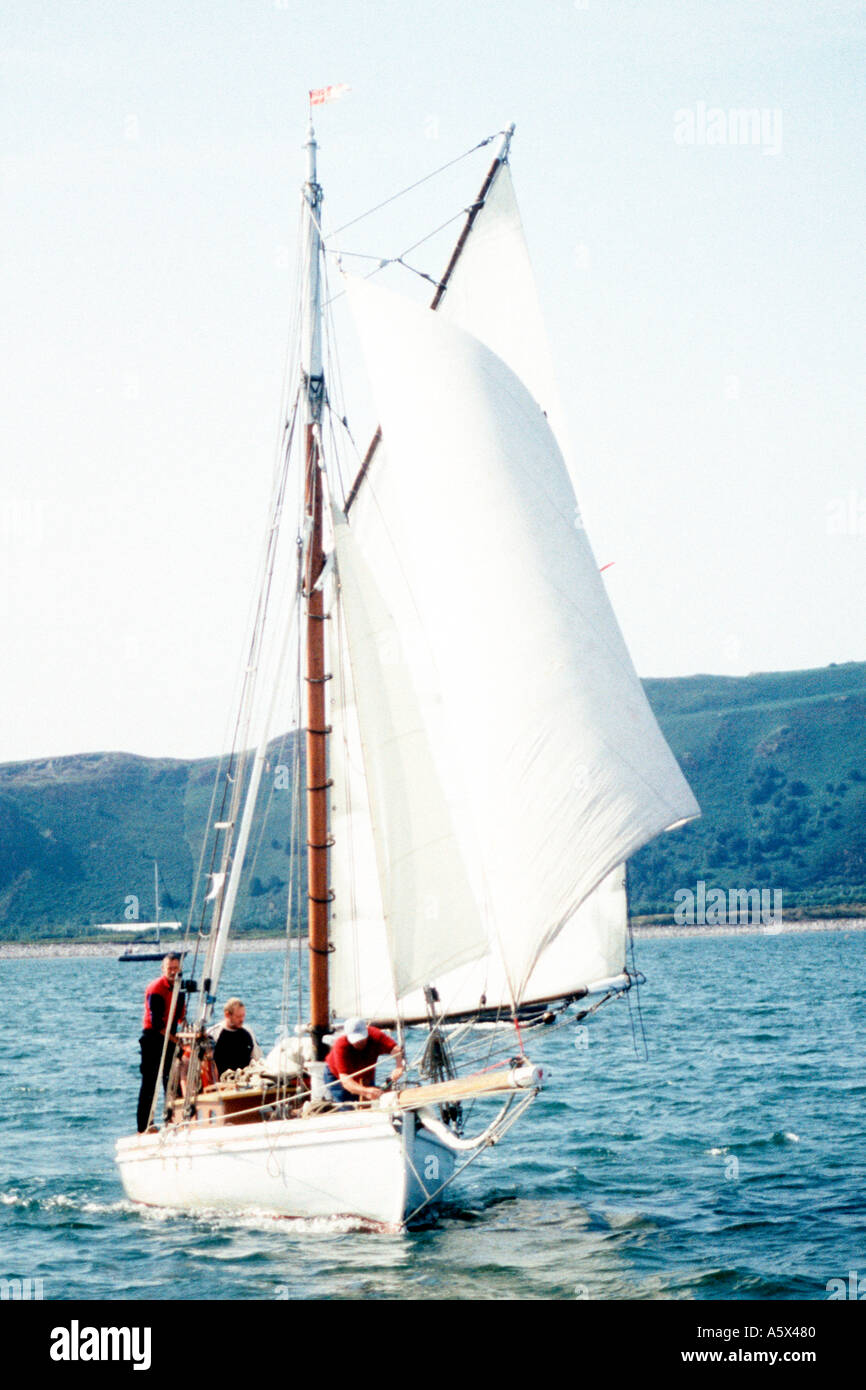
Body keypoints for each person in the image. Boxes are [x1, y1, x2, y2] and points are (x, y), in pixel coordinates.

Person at [136, 953, 186, 1132]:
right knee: (149, 1084)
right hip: (152, 1038)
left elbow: (180, 1017)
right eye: (169, 968)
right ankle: (144, 1127)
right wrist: (176, 1040)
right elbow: (157, 1024)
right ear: (163, 969)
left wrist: (184, 1034)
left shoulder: (179, 988)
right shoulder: (156, 988)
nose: (173, 972)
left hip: (170, 1035)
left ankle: (173, 1122)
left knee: (171, 1082)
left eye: (176, 968)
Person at [323, 1017, 404, 1104]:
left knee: (370, 1103)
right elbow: (345, 1080)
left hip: (365, 1074)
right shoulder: (341, 1045)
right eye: (356, 1040)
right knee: (348, 1107)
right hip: (337, 1076)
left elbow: (395, 1049)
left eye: (362, 1039)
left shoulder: (376, 1036)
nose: (359, 1042)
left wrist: (399, 1066)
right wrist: (366, 1091)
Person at [210, 998, 262, 1077]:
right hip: (221, 1081)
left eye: (243, 1016)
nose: (242, 1020)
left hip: (244, 1080)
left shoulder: (248, 1033)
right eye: (238, 1016)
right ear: (227, 1015)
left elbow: (257, 1059)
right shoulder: (214, 1034)